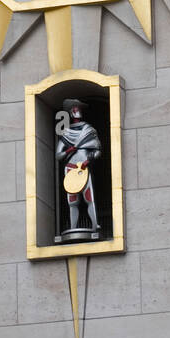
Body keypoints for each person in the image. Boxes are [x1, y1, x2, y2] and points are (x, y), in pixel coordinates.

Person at [55, 98, 101, 239]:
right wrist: (70, 150)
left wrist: (89, 160)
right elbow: (58, 155)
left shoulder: (89, 130)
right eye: (75, 109)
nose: (77, 111)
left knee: (89, 198)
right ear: (71, 112)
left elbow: (98, 150)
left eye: (79, 109)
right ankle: (73, 227)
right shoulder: (66, 133)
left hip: (84, 167)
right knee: (72, 201)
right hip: (70, 168)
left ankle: (95, 225)